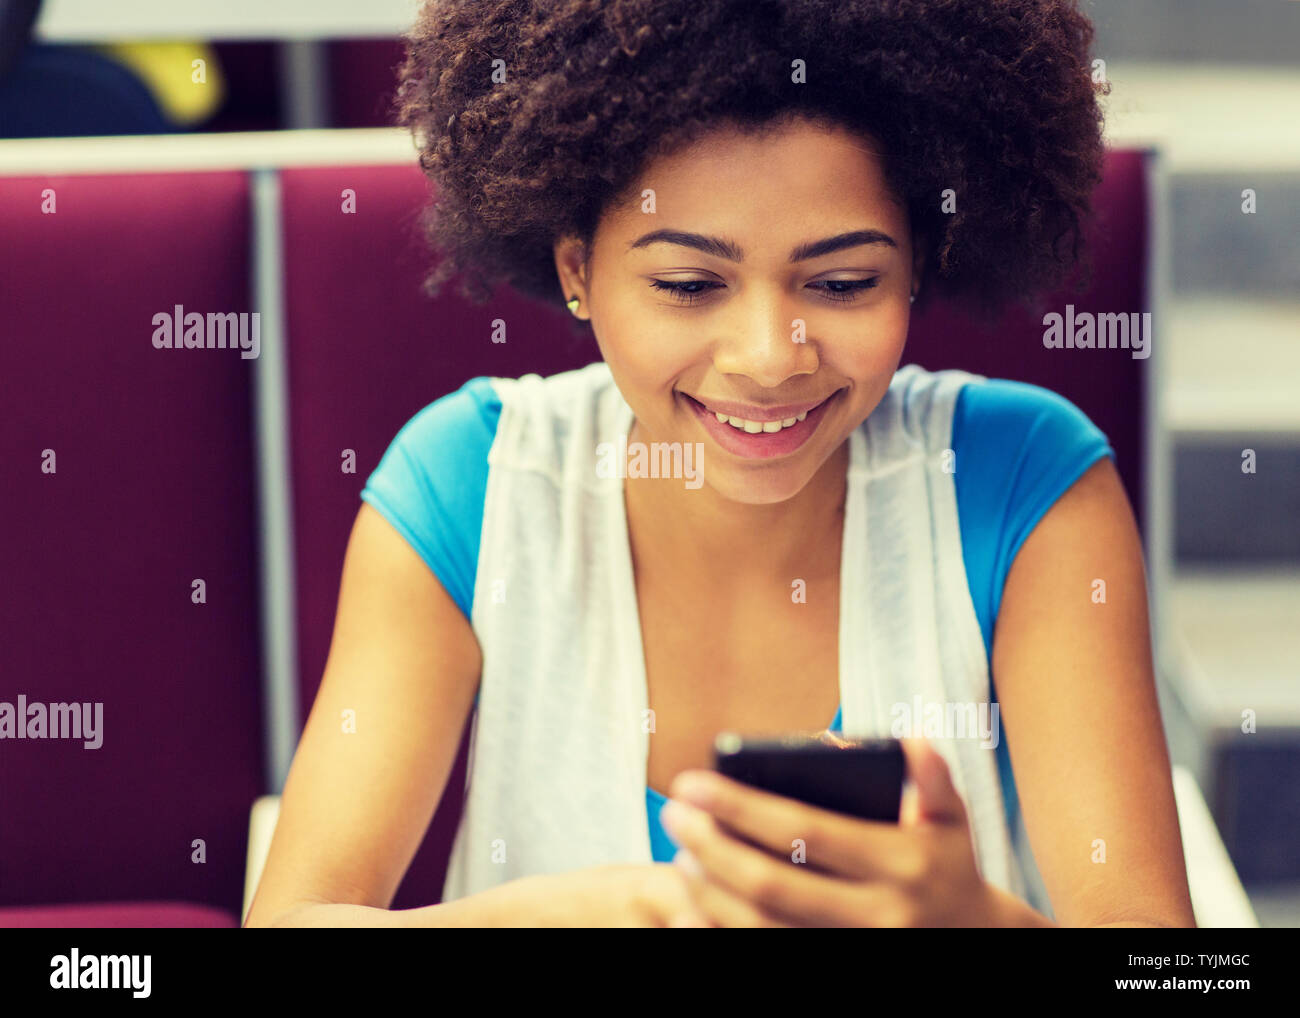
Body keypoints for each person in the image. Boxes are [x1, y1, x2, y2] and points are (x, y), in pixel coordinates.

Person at [245, 0, 1196, 928]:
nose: (770, 357)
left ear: (919, 262)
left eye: (842, 283)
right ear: (578, 269)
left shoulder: (1030, 481)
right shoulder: (470, 485)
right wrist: (590, 914)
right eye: (690, 285)